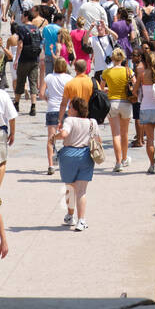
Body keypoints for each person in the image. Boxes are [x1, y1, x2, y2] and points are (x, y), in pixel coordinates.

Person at [57, 97, 98, 230]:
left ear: (75, 109)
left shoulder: (70, 120)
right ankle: (81, 220)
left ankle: (70, 215)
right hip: (86, 155)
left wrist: (54, 136)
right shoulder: (92, 122)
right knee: (82, 191)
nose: (68, 110)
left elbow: (64, 134)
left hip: (69, 155)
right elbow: (98, 140)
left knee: (70, 187)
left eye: (70, 107)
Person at [102, 48, 134, 171]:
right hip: (126, 102)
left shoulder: (106, 72)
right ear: (122, 58)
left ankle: (118, 162)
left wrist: (109, 90)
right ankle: (125, 158)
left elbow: (102, 87)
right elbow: (134, 85)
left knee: (115, 134)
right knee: (125, 133)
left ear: (112, 58)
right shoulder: (128, 71)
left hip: (112, 103)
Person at [44, 56, 72, 174]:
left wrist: (48, 99)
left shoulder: (49, 77)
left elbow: (41, 93)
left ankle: (51, 165)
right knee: (68, 137)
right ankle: (68, 163)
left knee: (51, 138)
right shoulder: (69, 78)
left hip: (52, 108)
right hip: (66, 109)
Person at [13, 9, 42, 115]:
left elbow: (20, 45)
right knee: (33, 82)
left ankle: (16, 103)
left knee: (21, 81)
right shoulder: (36, 28)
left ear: (26, 16)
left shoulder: (21, 28)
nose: (21, 17)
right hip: (34, 59)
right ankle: (33, 106)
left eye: (22, 15)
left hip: (24, 58)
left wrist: (16, 59)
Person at [58, 58, 94, 124]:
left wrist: (60, 120)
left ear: (75, 69)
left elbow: (63, 104)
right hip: (88, 115)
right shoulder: (93, 82)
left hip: (73, 116)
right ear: (86, 69)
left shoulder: (69, 84)